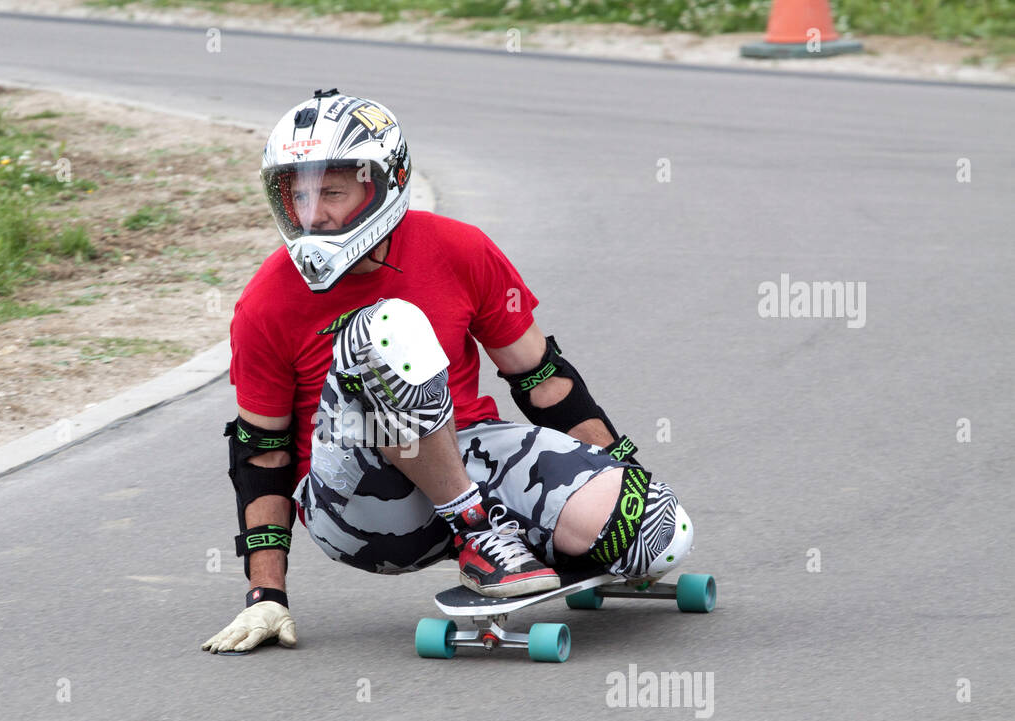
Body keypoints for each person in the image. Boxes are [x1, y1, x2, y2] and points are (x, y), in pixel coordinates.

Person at [204, 90, 693, 654]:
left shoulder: (459, 248)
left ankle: (513, 537)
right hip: (361, 501)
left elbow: (542, 379)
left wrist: (618, 475)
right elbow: (262, 450)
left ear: (381, 183)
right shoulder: (266, 300)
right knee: (381, 331)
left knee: (658, 528)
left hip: (470, 452)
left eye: (331, 193)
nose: (312, 215)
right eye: (298, 195)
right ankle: (481, 533)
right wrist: (266, 593)